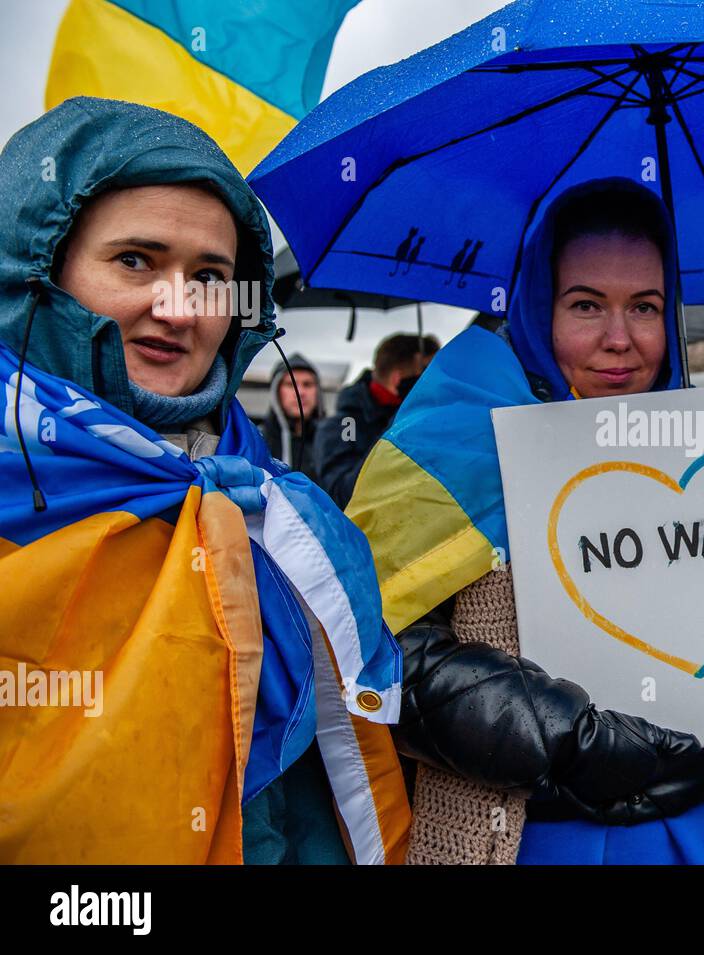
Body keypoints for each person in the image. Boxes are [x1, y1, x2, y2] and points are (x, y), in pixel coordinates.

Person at [0, 97, 408, 864]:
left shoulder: (278, 510)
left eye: (212, 276)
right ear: (37, 273)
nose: (180, 308)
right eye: (135, 261)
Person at [346, 178, 704, 865]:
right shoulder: (453, 434)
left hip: (697, 830)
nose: (620, 340)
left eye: (645, 306)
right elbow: (382, 648)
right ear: (535, 308)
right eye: (586, 305)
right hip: (525, 834)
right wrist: (571, 737)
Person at [314, 332, 437, 508]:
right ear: (397, 380)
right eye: (426, 375)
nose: (433, 384)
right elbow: (342, 495)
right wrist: (398, 429)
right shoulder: (347, 425)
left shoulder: (419, 420)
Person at [260, 352, 324, 484]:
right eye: (291, 384)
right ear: (276, 391)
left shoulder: (331, 441)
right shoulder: (257, 442)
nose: (300, 392)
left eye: (307, 384)